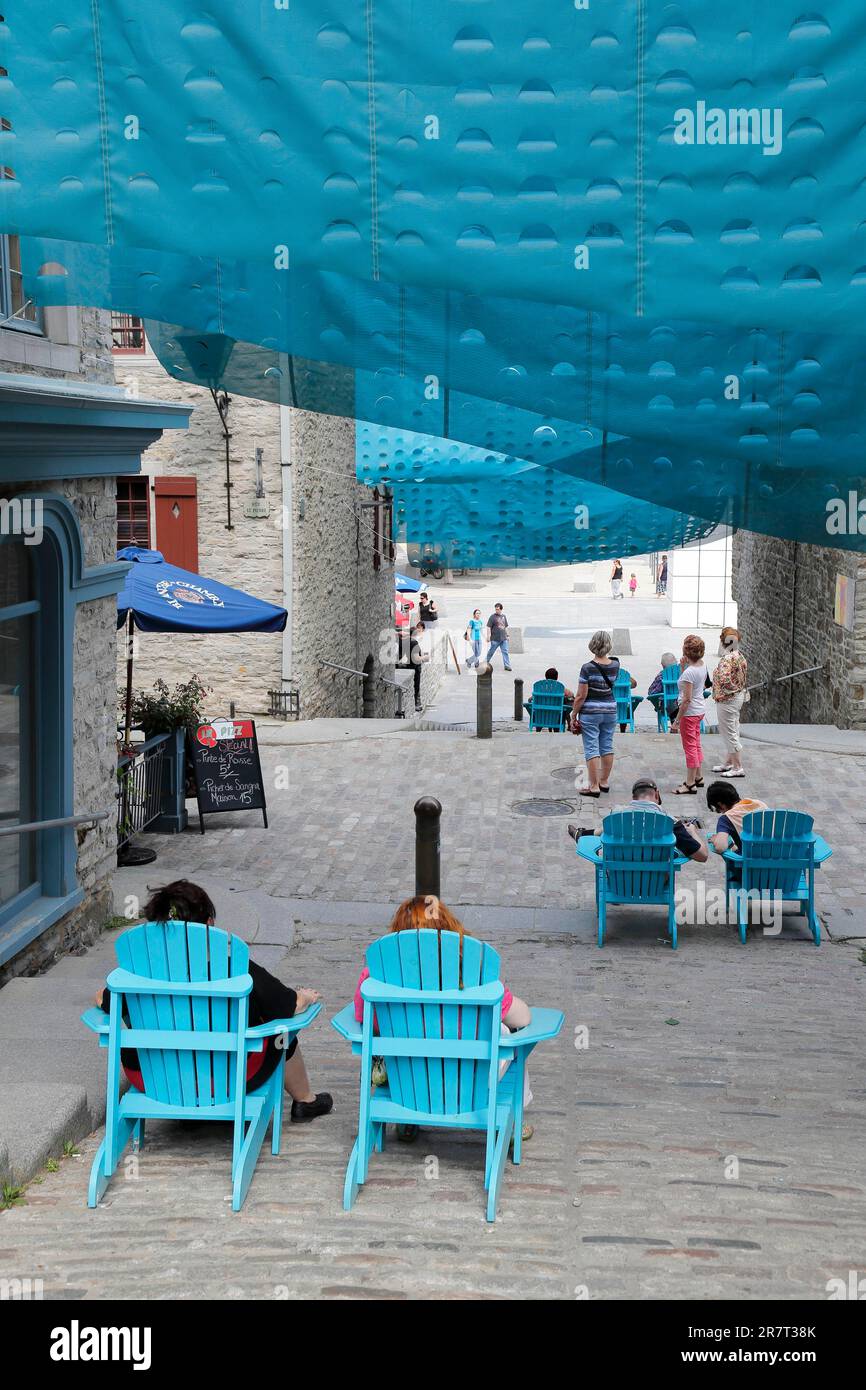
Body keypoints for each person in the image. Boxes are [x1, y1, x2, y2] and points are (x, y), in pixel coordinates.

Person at [95, 880, 333, 1121]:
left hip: (153, 1076)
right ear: (208, 925)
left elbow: (103, 1000)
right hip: (226, 1079)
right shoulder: (238, 971)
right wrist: (304, 996)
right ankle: (305, 1101)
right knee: (283, 1036)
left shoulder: (136, 974)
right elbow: (288, 1006)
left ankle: (187, 1113)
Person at [354, 896, 534, 1143]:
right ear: (448, 929)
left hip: (407, 1080)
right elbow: (523, 1017)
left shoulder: (375, 977)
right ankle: (513, 1124)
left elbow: (364, 1022)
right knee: (513, 1040)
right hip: (468, 1078)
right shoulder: (474, 977)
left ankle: (408, 1119)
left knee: (393, 1040)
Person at [569, 776, 708, 863]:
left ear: (633, 797)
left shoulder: (616, 816)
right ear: (657, 795)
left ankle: (582, 834)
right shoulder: (670, 823)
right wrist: (693, 832)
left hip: (619, 881)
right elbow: (702, 856)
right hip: (655, 883)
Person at [570, 630, 632, 797]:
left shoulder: (587, 668)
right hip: (610, 709)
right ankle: (604, 781)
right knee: (607, 745)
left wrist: (573, 714)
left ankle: (594, 785)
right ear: (609, 646)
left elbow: (581, 695)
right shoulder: (615, 665)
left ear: (592, 645)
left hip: (591, 711)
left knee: (591, 747)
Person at [706, 780, 769, 882]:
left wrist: (716, 840)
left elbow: (720, 847)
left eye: (718, 809)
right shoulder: (759, 804)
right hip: (781, 871)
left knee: (728, 851)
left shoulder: (726, 818)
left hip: (752, 875)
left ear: (721, 804)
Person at [671, 634, 708, 795]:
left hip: (690, 713)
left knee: (690, 747)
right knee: (696, 743)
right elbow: (690, 683)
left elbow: (686, 699)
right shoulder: (702, 666)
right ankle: (699, 776)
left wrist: (677, 721)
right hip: (700, 710)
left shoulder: (689, 673)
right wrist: (683, 668)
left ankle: (690, 783)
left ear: (686, 652)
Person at [712, 626, 748, 776]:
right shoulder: (740, 656)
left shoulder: (727, 659)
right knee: (733, 728)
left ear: (723, 642)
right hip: (737, 697)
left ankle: (737, 767)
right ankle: (729, 762)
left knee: (729, 732)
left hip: (728, 700)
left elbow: (725, 679)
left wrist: (729, 690)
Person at [647, 651, 679, 723]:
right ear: (676, 662)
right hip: (682, 706)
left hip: (666, 707)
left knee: (663, 702)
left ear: (663, 665)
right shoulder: (683, 673)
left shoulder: (661, 676)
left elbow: (651, 692)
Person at [485, 603, 512, 670]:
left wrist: (507, 635)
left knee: (505, 651)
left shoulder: (504, 616)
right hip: (495, 638)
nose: (496, 610)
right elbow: (488, 627)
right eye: (496, 609)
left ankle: (507, 665)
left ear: (501, 609)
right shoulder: (492, 617)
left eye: (498, 609)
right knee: (491, 651)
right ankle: (486, 662)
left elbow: (506, 626)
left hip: (503, 638)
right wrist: (488, 636)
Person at [409, 621, 429, 711]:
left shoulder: (404, 641)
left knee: (416, 686)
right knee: (416, 685)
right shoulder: (414, 643)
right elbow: (417, 658)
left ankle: (417, 702)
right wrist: (425, 657)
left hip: (407, 666)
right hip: (415, 666)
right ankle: (417, 703)